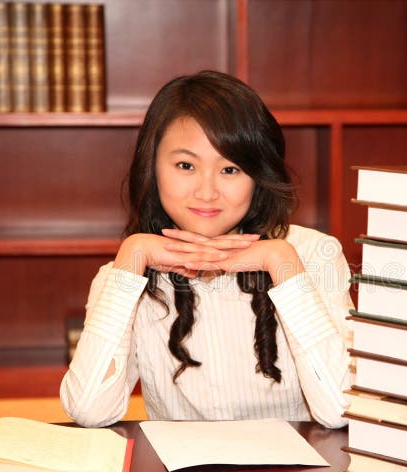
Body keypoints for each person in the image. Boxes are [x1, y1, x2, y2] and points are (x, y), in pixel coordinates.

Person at [60, 70, 353, 429]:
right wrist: (132, 254)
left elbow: (341, 410)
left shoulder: (312, 256)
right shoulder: (126, 273)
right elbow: (89, 411)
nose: (207, 192)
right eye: (186, 166)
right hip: (178, 467)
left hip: (296, 466)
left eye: (230, 169)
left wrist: (280, 262)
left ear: (258, 177)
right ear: (152, 167)